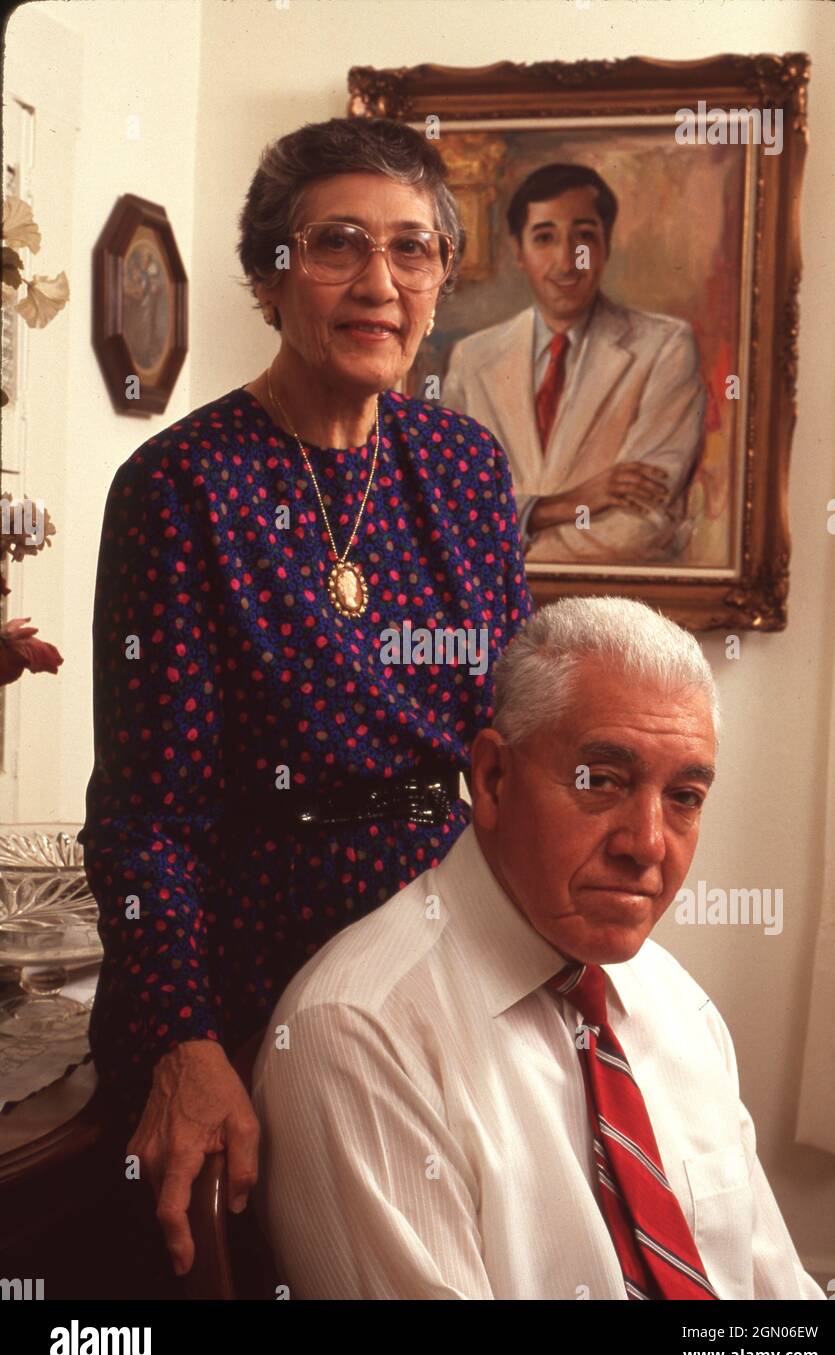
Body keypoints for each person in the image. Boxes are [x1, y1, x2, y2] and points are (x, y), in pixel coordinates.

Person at [78, 115, 533, 1279]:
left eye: (412, 249)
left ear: (438, 277)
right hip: (244, 970)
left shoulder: (467, 469)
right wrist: (184, 1038)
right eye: (335, 245)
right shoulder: (178, 487)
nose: (378, 283)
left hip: (449, 946)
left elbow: (512, 738)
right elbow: (144, 813)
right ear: (268, 278)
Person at [253, 595, 825, 1301]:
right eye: (602, 781)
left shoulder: (678, 1004)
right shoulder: (356, 1033)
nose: (647, 844)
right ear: (492, 780)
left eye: (684, 796)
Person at [442, 164, 706, 565]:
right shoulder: (472, 357)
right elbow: (449, 511)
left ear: (606, 245)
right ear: (518, 251)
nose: (567, 261)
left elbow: (645, 524)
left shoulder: (665, 347)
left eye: (584, 236)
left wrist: (510, 543)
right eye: (544, 238)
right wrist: (569, 503)